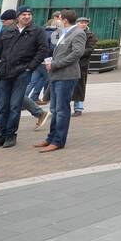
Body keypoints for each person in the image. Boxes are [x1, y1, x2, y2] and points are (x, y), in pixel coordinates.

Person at [0, 8, 48, 149]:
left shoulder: (37, 31)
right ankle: (1, 136)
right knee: (2, 106)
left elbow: (43, 50)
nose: (27, 17)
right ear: (18, 17)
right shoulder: (7, 31)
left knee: (14, 106)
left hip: (22, 73)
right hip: (4, 73)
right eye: (24, 14)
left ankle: (11, 135)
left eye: (29, 14)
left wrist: (30, 67)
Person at [34, 9, 83, 153]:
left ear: (65, 20)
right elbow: (54, 49)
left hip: (67, 75)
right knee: (54, 109)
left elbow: (77, 53)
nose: (56, 20)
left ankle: (58, 141)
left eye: (59, 18)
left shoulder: (78, 33)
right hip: (56, 75)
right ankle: (50, 138)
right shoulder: (62, 32)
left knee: (62, 110)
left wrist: (55, 64)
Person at [70, 16, 95, 115]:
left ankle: (78, 108)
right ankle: (63, 108)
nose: (84, 24)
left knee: (80, 86)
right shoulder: (70, 33)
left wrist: (77, 53)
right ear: (76, 23)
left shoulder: (90, 35)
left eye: (85, 22)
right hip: (69, 63)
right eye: (81, 22)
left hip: (82, 64)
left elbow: (90, 49)